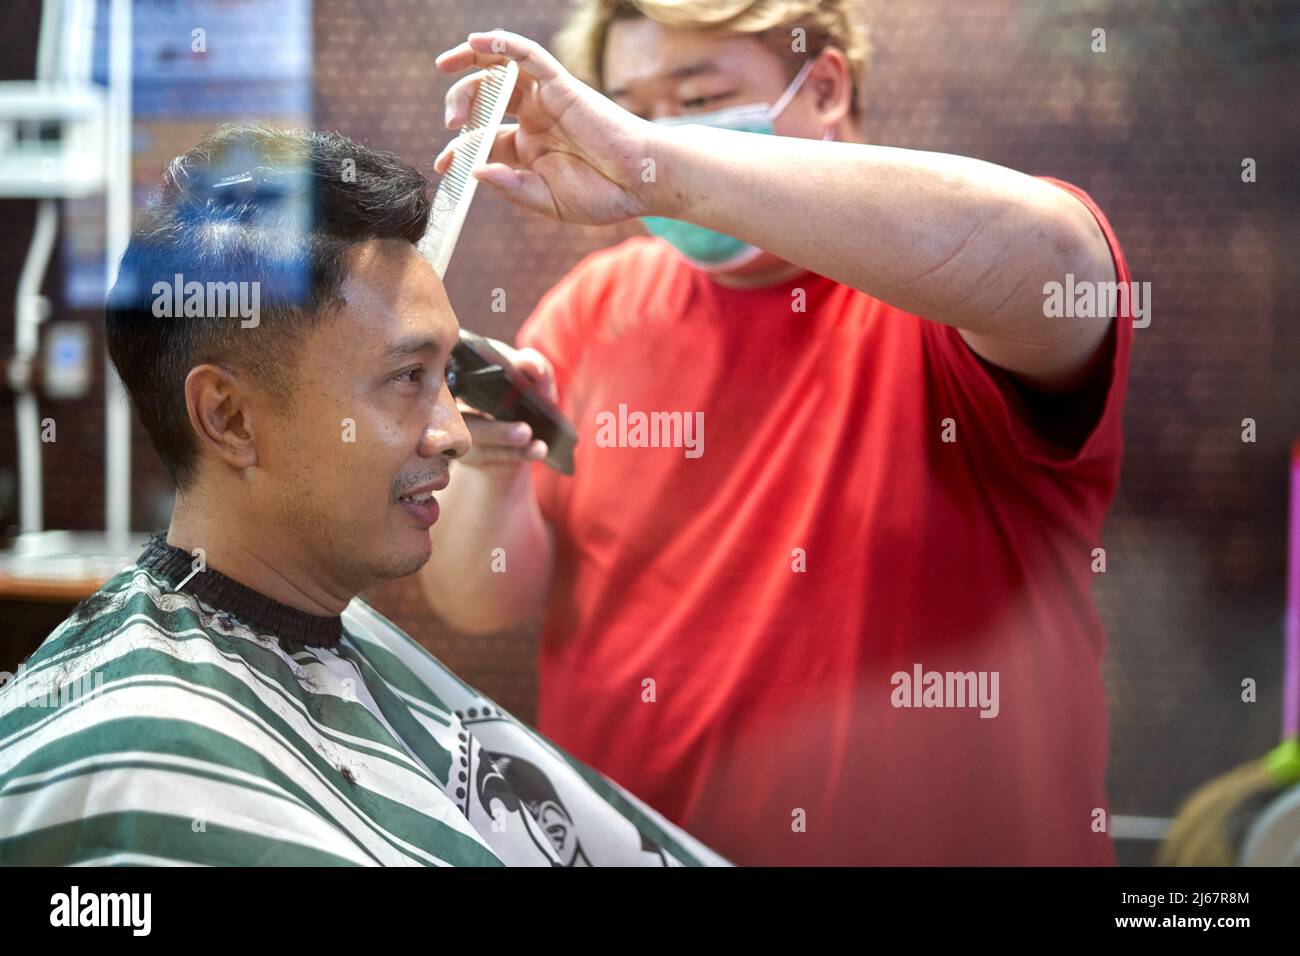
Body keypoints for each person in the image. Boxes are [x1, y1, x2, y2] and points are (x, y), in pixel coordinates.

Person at [421, 6, 1133, 866]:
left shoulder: (945, 309)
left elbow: (1064, 263)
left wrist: (656, 164)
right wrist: (495, 472)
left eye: (699, 96)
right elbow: (479, 599)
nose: (639, 138)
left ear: (824, 87)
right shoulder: (594, 308)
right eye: (626, 108)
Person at [0, 123, 727, 867]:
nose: (455, 436)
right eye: (408, 377)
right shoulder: (148, 767)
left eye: (446, 376)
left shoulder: (327, 635)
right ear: (229, 417)